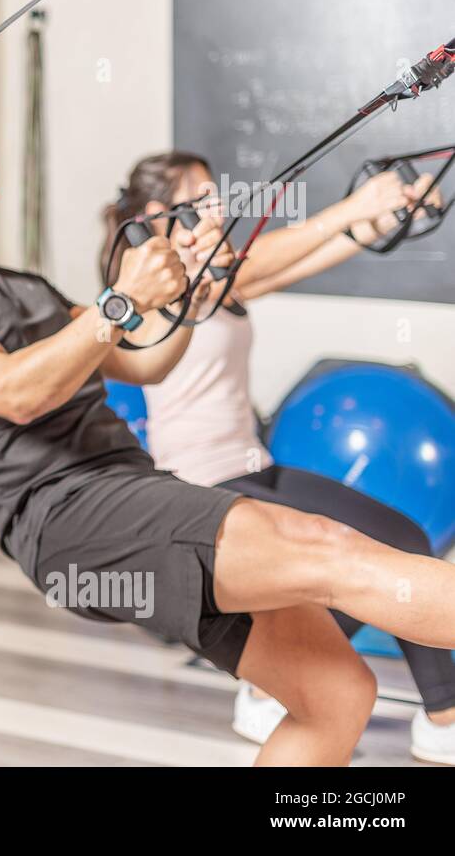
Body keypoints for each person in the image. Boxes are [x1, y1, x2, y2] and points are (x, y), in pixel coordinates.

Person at [0, 103, 455, 766]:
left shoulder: (17, 284)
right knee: (328, 545)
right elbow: (16, 393)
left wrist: (185, 302)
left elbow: (143, 360)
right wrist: (121, 300)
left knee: (338, 692)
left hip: (134, 489)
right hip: (69, 516)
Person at [100, 151, 455, 765]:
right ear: (158, 215)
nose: (218, 209)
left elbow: (321, 246)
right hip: (198, 486)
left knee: (403, 537)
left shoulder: (221, 277)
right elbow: (290, 244)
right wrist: (359, 205)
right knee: (366, 563)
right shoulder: (158, 290)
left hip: (254, 465)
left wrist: (384, 213)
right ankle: (435, 713)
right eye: (201, 199)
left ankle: (289, 686)